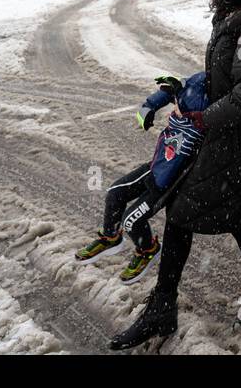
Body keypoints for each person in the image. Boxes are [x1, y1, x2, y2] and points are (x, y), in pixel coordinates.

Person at [109, 0, 241, 350]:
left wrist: (205, 117)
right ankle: (176, 303)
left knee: (193, 214)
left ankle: (168, 306)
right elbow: (225, 77)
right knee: (237, 217)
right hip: (232, 140)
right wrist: (187, 89)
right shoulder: (237, 21)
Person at [76, 74, 208, 283]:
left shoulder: (209, 113)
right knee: (114, 193)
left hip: (168, 182)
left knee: (131, 221)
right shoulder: (199, 84)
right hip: (157, 167)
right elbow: (173, 87)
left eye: (178, 107)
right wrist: (150, 106)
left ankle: (148, 249)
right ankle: (110, 237)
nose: (174, 108)